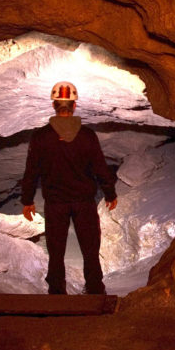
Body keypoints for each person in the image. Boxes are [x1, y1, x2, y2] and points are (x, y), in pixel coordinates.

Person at [20, 81, 119, 296]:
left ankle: (56, 291)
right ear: (74, 106)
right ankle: (94, 289)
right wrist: (110, 193)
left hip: (56, 203)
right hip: (84, 202)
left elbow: (31, 172)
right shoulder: (87, 136)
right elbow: (100, 168)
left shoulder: (40, 137)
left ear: (54, 105)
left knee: (56, 251)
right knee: (90, 249)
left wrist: (27, 200)